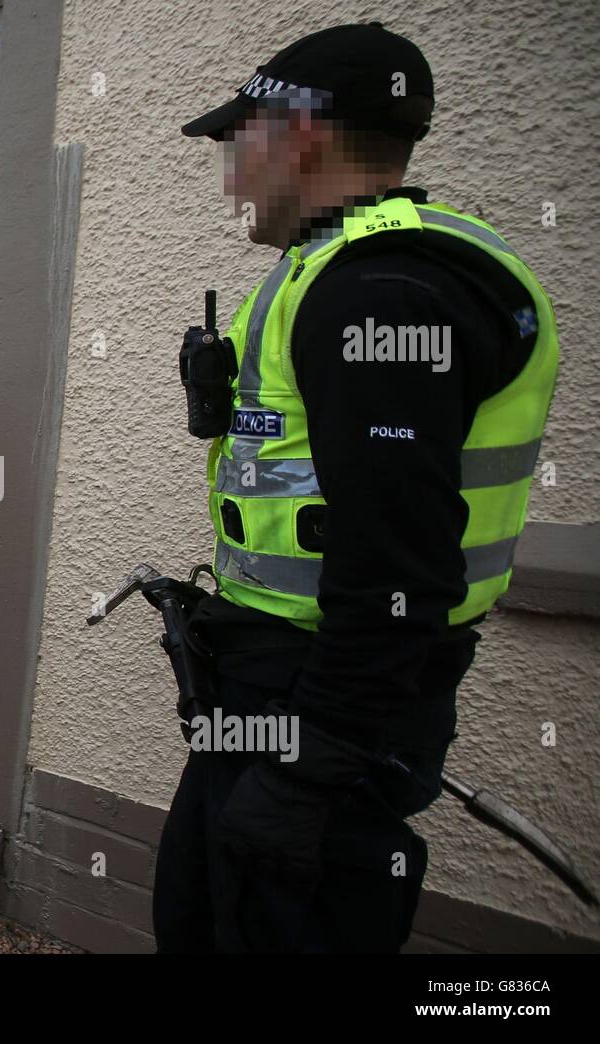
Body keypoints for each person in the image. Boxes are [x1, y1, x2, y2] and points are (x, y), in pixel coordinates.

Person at [153, 23, 558, 952]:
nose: (230, 177)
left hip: (323, 709)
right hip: (270, 689)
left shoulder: (382, 290)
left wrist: (306, 775)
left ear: (301, 135)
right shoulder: (328, 272)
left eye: (238, 143)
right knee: (195, 911)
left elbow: (395, 562)